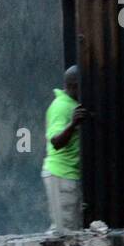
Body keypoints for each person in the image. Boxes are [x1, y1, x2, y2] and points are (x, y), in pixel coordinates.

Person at [43, 66, 88, 232]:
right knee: (64, 233)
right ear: (75, 85)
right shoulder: (61, 107)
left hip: (69, 175)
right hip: (61, 175)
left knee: (72, 231)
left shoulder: (72, 104)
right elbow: (55, 141)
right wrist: (73, 124)